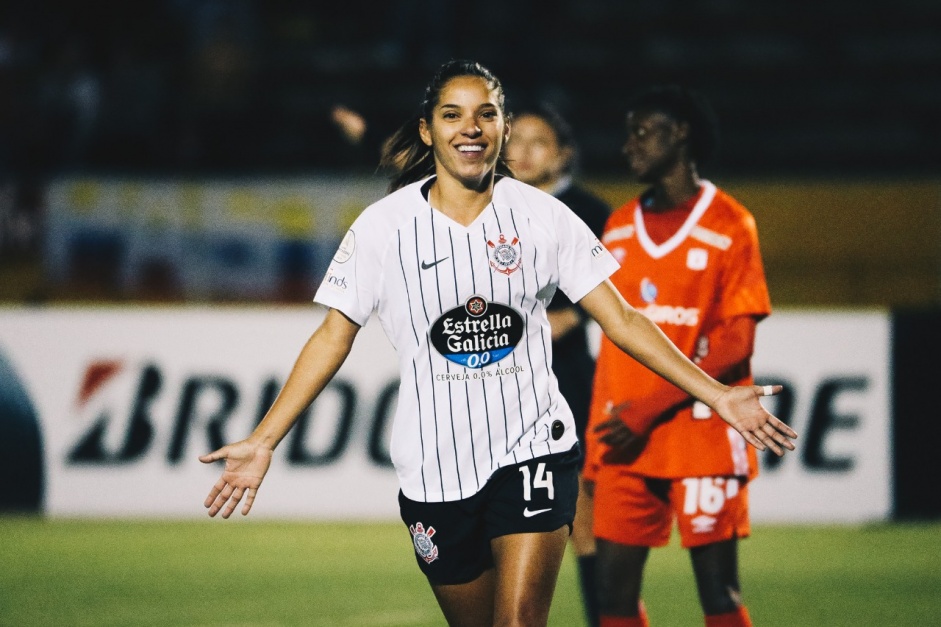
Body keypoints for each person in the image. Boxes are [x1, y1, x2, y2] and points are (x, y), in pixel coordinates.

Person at [199, 61, 797, 627]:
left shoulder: (546, 217)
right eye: (453, 114)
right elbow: (334, 335)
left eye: (486, 114)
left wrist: (717, 395)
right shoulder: (382, 228)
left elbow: (623, 319)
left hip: (534, 450)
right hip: (433, 467)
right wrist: (261, 440)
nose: (471, 128)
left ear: (503, 128)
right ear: (428, 130)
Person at [583, 85, 774, 627]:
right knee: (611, 598)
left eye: (642, 131)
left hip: (700, 435)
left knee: (719, 594)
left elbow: (736, 346)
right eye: (629, 133)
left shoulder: (731, 224)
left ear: (681, 133)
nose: (629, 145)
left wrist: (650, 408)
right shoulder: (618, 226)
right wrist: (606, 427)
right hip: (621, 435)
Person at [504, 102, 610, 627]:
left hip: (566, 380)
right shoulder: (491, 201)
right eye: (514, 139)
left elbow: (582, 310)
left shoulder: (590, 210)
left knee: (582, 518)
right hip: (496, 385)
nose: (521, 152)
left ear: (563, 153)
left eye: (536, 141)